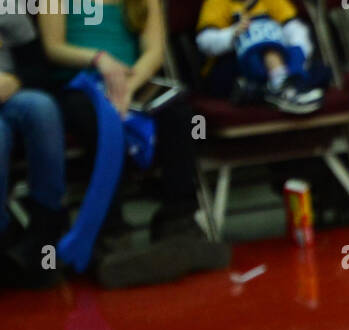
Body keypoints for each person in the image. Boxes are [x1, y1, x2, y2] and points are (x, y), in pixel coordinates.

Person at [38, 0, 231, 287]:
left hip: (132, 82)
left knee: (179, 114)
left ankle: (179, 223)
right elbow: (53, 47)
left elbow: (154, 51)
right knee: (96, 122)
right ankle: (111, 236)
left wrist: (128, 85)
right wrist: (99, 59)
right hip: (79, 84)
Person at [0, 10, 65, 288]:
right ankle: (4, 238)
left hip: (11, 94)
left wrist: (16, 79)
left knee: (42, 107)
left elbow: (39, 70)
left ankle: (43, 232)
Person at [195, 0, 326, 114]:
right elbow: (204, 42)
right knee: (259, 35)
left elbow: (297, 31)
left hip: (276, 63)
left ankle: (274, 88)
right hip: (233, 66)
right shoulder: (216, 3)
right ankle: (284, 89)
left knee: (320, 70)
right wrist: (232, 34)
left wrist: (295, 59)